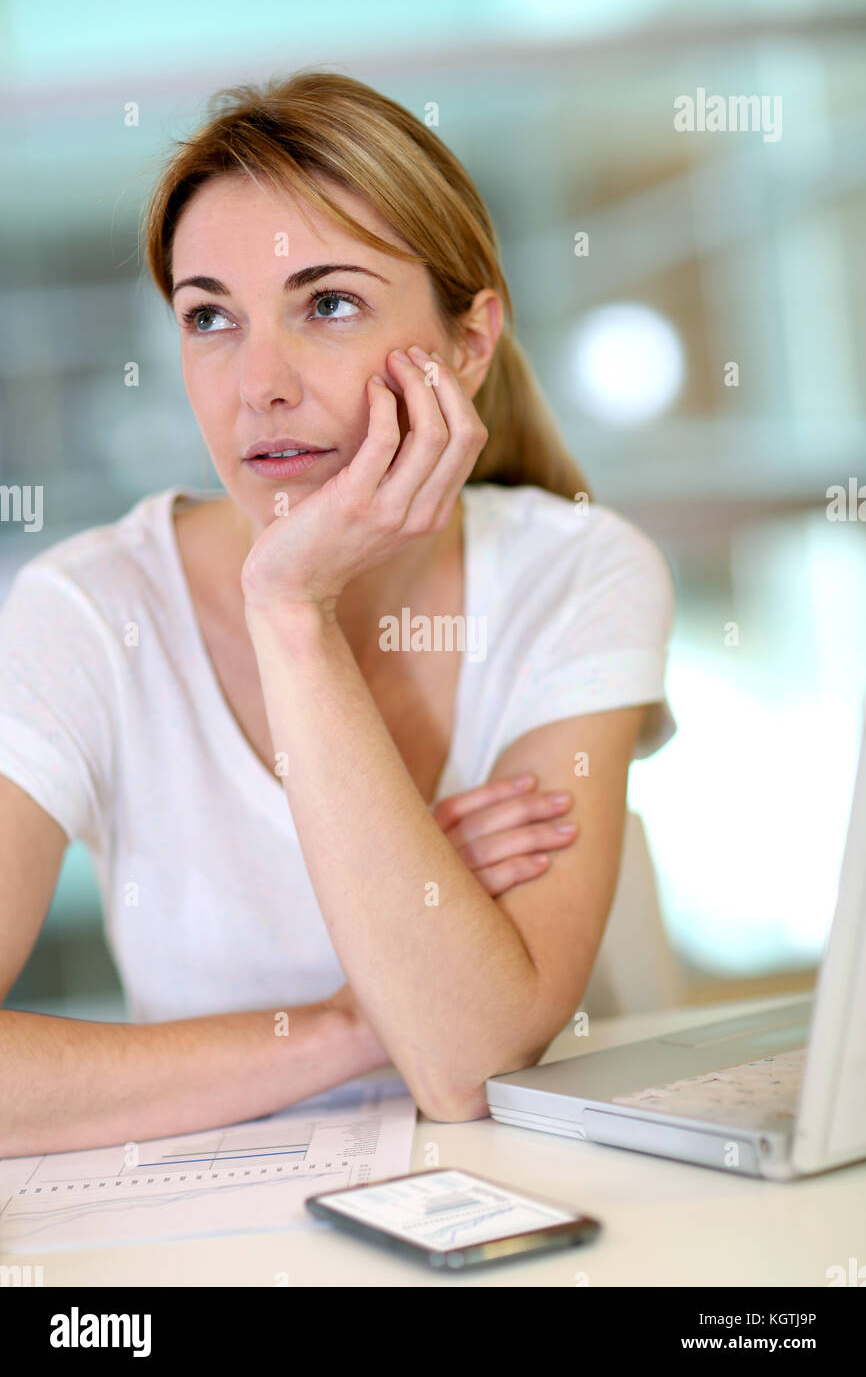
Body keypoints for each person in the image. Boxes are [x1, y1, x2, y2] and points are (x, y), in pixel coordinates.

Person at [0, 70, 676, 1157]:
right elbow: (436, 1035)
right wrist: (349, 1024)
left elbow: (464, 1065)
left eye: (328, 303)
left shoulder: (577, 572)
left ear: (468, 339)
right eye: (210, 316)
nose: (258, 382)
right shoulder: (89, 609)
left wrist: (287, 609)